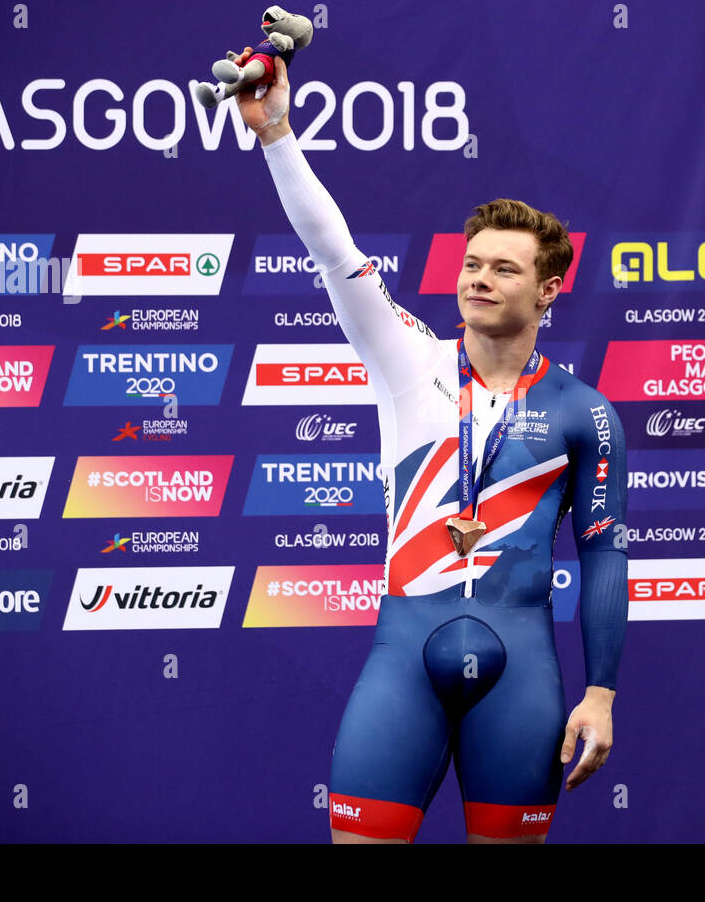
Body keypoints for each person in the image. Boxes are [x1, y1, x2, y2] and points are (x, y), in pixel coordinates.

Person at [241, 58, 627, 844]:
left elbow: (606, 556)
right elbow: (333, 249)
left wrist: (602, 694)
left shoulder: (586, 412)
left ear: (548, 289)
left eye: (504, 269)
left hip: (523, 675)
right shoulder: (406, 355)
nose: (479, 279)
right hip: (403, 660)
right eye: (472, 262)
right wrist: (277, 132)